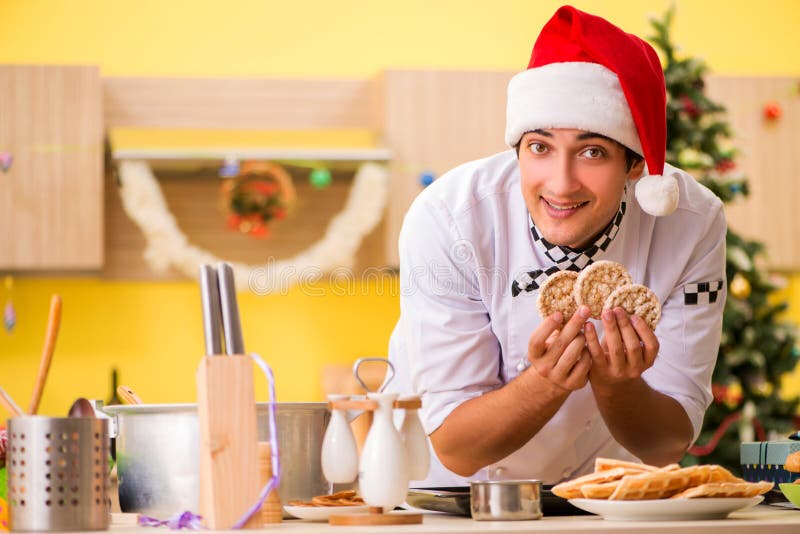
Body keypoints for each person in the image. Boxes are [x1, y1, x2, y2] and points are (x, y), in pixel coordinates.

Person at [385, 5, 726, 487]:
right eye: (539, 147)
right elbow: (458, 448)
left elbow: (666, 444)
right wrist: (544, 382)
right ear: (518, 149)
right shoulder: (450, 220)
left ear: (634, 167)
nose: (560, 185)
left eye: (592, 152)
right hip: (448, 498)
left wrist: (617, 383)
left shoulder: (690, 224)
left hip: (594, 500)